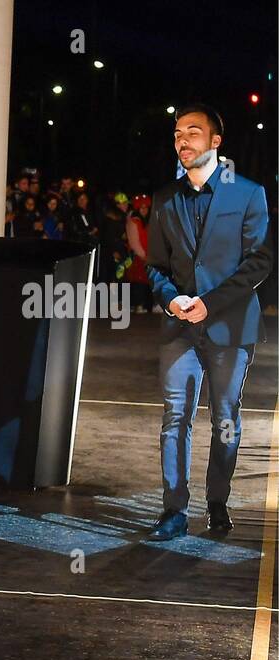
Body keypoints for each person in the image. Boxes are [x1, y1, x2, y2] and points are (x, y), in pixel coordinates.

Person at [144, 103, 272, 540]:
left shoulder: (248, 193)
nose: (182, 141)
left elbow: (259, 262)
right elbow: (155, 266)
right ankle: (174, 510)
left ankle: (217, 500)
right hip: (179, 325)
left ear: (216, 142)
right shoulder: (164, 198)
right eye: (178, 133)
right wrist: (171, 298)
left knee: (225, 417)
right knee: (175, 416)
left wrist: (210, 303)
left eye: (193, 133)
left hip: (230, 326)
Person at [125, 194, 154, 311]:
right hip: (139, 256)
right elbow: (134, 241)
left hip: (148, 255)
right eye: (141, 208)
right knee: (139, 281)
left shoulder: (147, 221)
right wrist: (143, 255)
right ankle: (138, 304)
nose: (144, 210)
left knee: (147, 281)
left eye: (146, 207)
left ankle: (146, 304)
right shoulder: (134, 221)